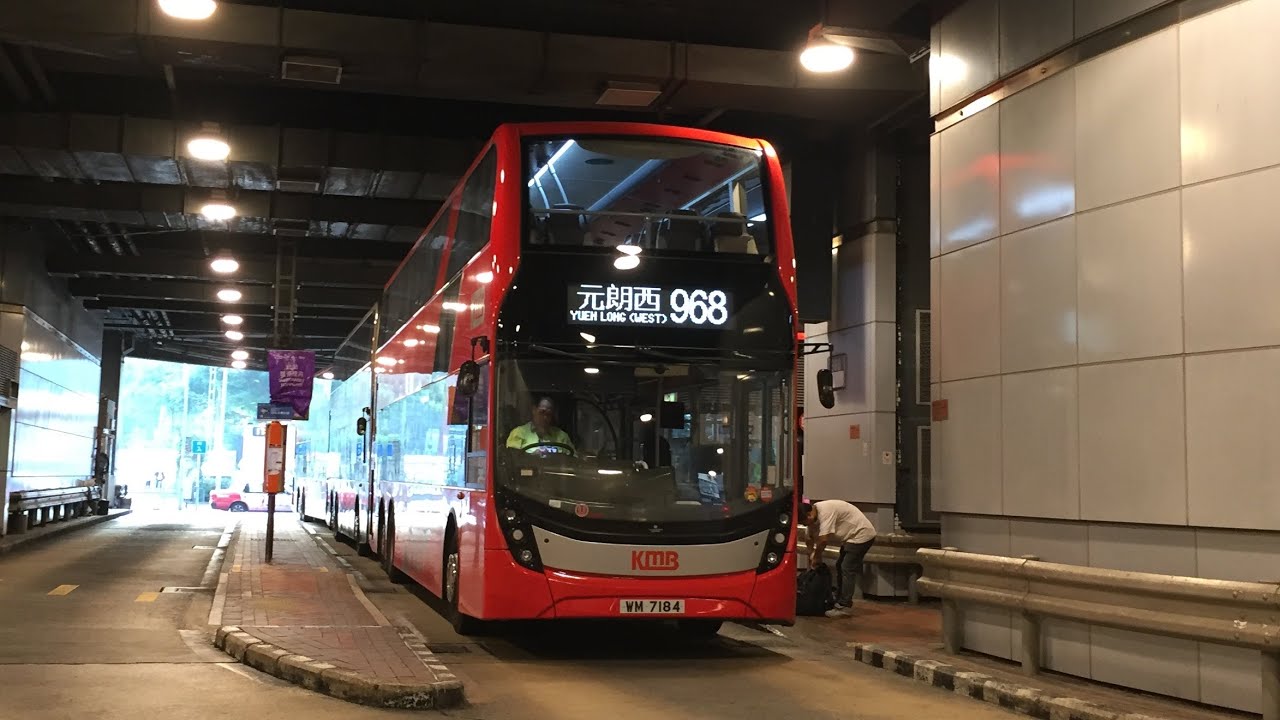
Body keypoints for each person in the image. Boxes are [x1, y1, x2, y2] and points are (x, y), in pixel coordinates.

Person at [804, 498, 877, 618]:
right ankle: (839, 598)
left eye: (805, 522)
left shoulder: (825, 512)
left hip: (862, 535)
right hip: (851, 537)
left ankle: (844, 605)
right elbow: (808, 538)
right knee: (840, 565)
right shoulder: (813, 513)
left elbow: (823, 540)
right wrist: (812, 554)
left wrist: (816, 557)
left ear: (809, 515)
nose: (805, 525)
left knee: (846, 567)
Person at [506, 396, 575, 454]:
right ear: (534, 410)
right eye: (542, 412)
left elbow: (573, 461)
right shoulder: (518, 433)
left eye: (548, 414)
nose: (545, 417)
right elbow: (512, 459)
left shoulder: (562, 437)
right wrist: (532, 456)